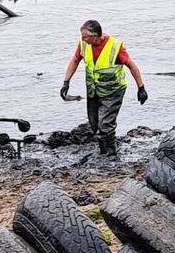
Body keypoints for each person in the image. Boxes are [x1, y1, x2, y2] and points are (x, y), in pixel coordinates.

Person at [61, 20, 148, 157]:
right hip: (93, 90)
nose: (82, 39)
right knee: (94, 124)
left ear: (95, 35)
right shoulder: (84, 45)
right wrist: (66, 81)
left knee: (106, 124)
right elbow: (75, 60)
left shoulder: (114, 47)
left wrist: (141, 88)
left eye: (85, 36)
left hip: (113, 91)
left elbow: (132, 66)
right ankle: (103, 153)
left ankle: (111, 154)